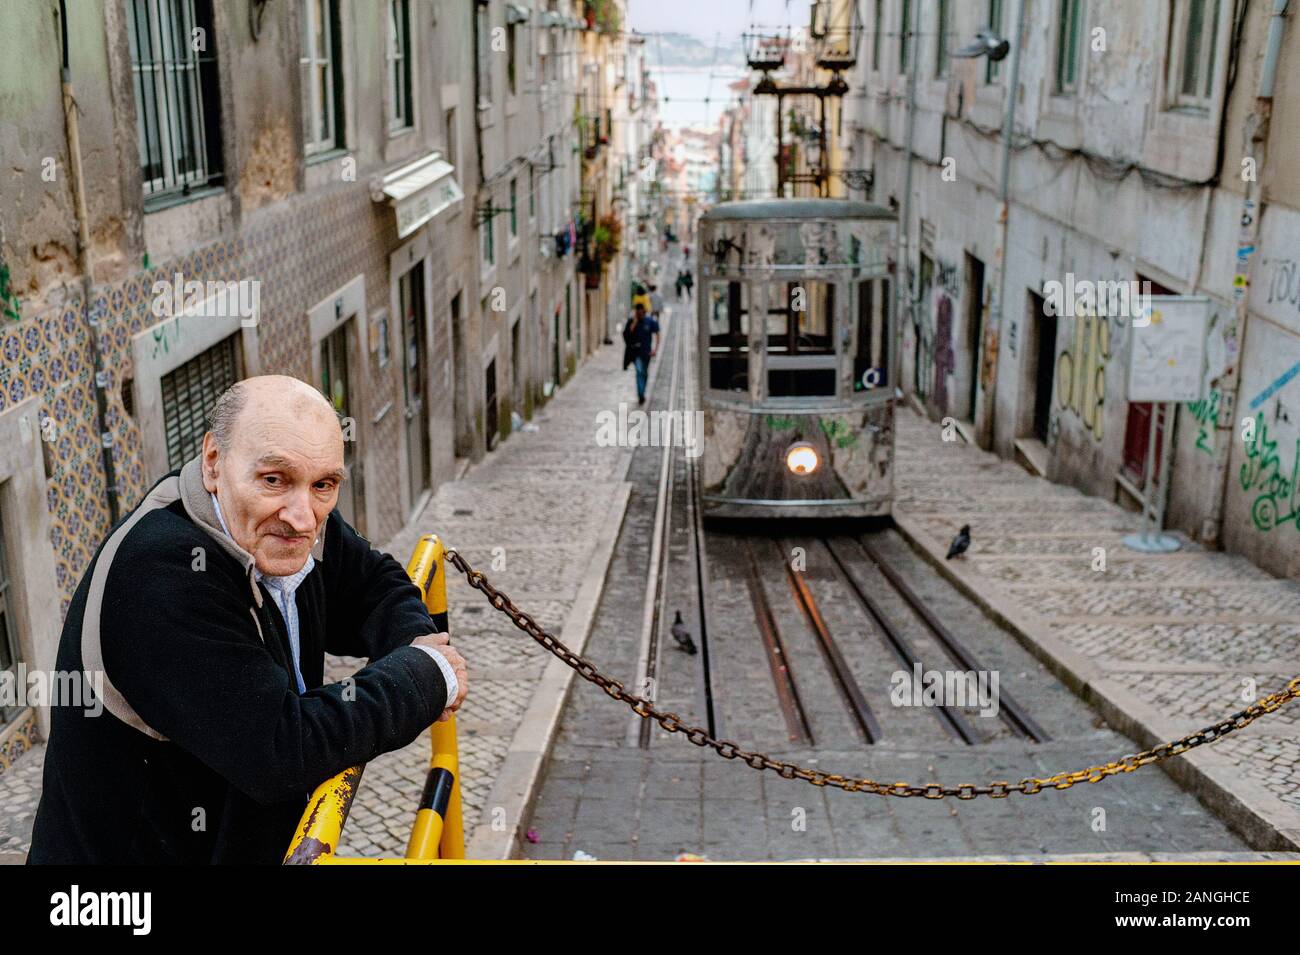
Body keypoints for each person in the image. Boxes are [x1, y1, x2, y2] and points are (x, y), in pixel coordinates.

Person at [28, 376, 469, 864]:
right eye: (274, 480)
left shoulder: (288, 520)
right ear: (214, 462)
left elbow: (374, 584)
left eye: (324, 484)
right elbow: (278, 750)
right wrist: (423, 678)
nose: (303, 518)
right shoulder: (163, 575)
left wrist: (417, 641)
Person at [621, 302, 660, 405]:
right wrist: (634, 322)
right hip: (635, 353)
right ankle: (641, 394)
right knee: (639, 372)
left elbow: (657, 333)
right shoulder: (632, 321)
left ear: (644, 311)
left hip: (646, 352)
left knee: (644, 373)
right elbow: (626, 335)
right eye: (637, 312)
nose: (639, 314)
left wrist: (655, 349)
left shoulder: (649, 321)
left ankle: (642, 391)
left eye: (641, 312)